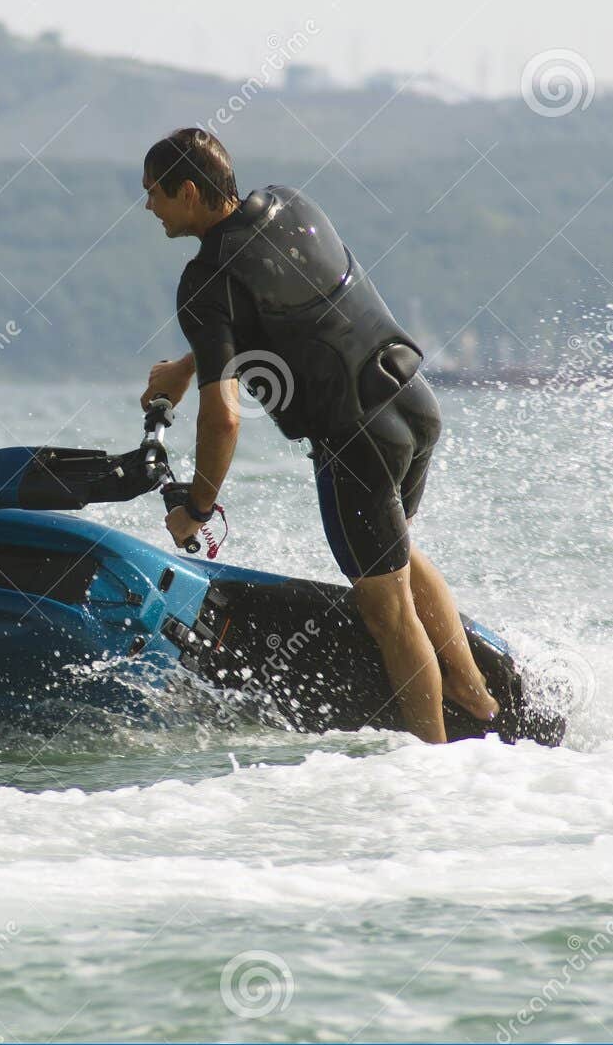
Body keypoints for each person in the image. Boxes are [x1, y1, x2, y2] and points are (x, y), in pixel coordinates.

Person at [137, 127, 497, 743]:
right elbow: (279, 314)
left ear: (188, 192)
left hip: (355, 442)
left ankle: (436, 768)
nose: (148, 207)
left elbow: (223, 418)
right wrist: (186, 364)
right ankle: (477, 699)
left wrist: (197, 506)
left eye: (154, 194)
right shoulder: (288, 204)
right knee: (396, 555)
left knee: (387, 610)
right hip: (411, 404)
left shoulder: (203, 279)